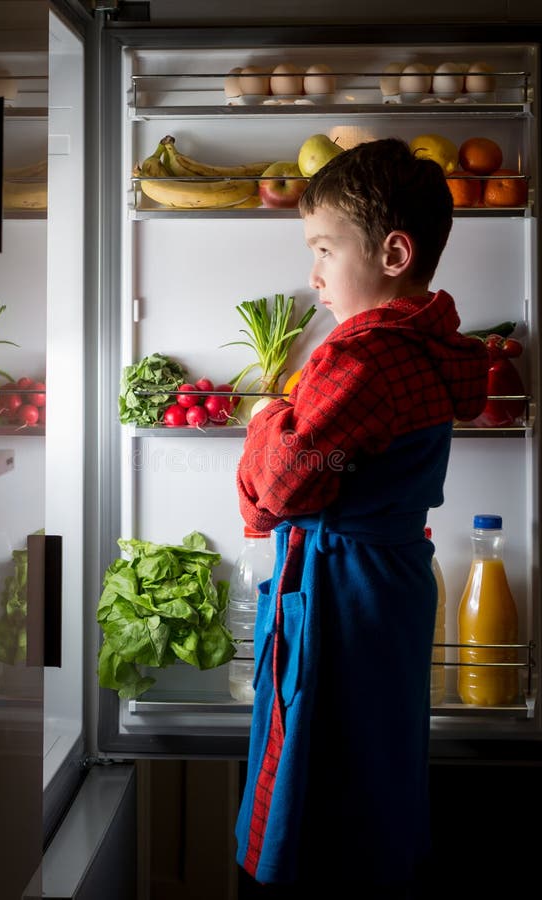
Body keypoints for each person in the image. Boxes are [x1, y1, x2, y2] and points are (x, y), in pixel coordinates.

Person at [234, 137, 489, 899]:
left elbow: (282, 486)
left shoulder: (363, 359)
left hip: (342, 595)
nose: (312, 276)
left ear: (393, 252)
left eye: (323, 249)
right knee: (375, 765)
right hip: (392, 583)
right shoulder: (430, 345)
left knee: (319, 774)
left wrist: (267, 416)